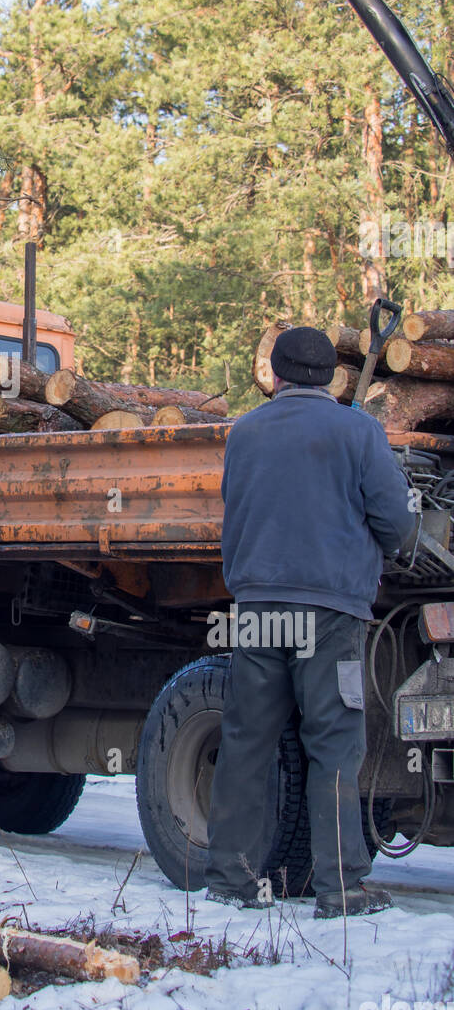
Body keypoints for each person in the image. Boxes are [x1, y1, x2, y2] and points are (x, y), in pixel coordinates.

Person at [204, 325, 416, 919]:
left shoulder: (244, 432)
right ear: (331, 377)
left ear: (273, 375)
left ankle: (229, 881)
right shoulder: (359, 431)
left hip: (258, 608)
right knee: (334, 744)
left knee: (247, 740)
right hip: (330, 612)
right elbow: (398, 526)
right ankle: (341, 889)